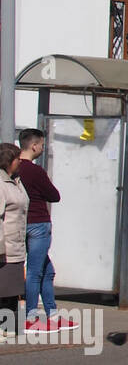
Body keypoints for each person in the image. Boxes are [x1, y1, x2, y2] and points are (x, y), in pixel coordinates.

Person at [16, 128, 72, 330]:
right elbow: (54, 195)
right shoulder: (35, 170)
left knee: (48, 271)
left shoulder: (13, 168)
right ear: (34, 146)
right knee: (35, 272)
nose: (42, 148)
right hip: (39, 223)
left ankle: (53, 314)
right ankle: (31, 317)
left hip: (23, 224)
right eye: (41, 144)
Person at [0, 143, 29, 342]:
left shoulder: (16, 181)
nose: (21, 161)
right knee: (3, 288)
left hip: (18, 245)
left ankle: (8, 327)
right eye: (18, 158)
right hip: (5, 247)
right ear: (9, 160)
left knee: (13, 290)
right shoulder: (1, 184)